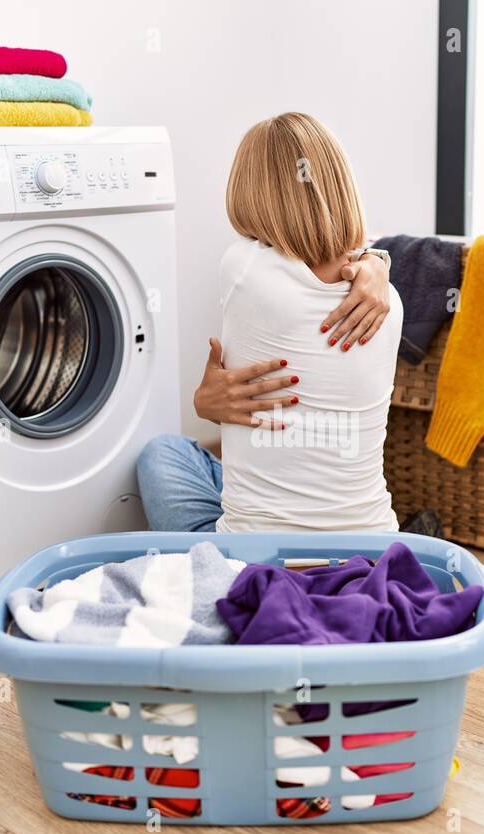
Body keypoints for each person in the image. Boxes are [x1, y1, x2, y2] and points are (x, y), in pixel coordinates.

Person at [138, 112, 403, 533]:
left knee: (163, 452)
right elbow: (351, 250)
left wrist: (202, 404)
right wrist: (376, 259)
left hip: (251, 560)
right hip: (371, 547)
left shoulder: (245, 269)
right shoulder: (389, 303)